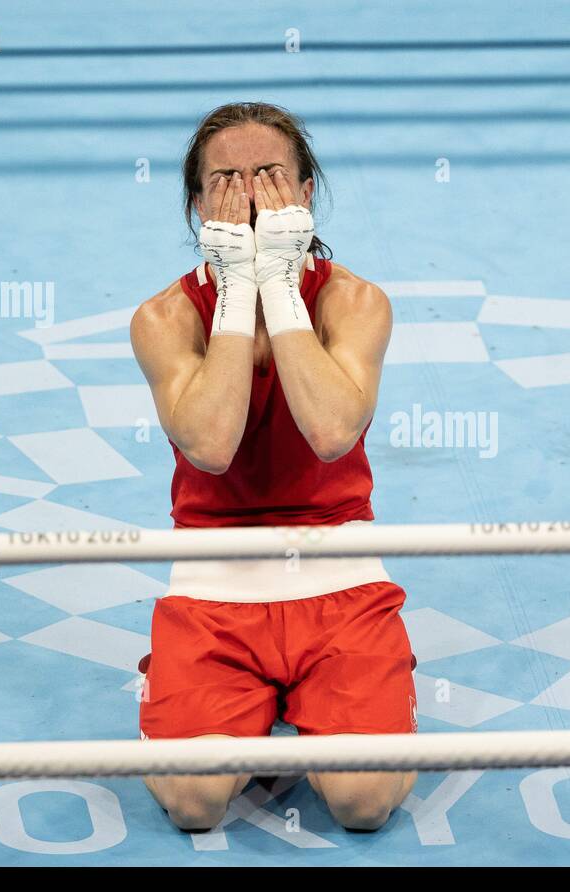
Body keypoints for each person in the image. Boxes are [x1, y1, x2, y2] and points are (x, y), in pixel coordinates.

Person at [129, 102, 417, 833]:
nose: (251, 197)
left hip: (340, 580)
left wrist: (280, 285)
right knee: (194, 805)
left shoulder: (354, 303)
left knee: (363, 803)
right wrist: (236, 289)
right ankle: (195, 692)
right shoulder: (165, 319)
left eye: (269, 176)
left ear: (306, 193)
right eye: (226, 180)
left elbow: (328, 432)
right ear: (199, 205)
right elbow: (211, 445)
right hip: (213, 585)